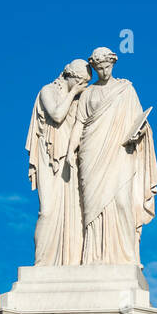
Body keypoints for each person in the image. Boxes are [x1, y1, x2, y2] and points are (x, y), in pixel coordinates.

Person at [66, 46, 157, 265]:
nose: (104, 71)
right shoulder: (88, 93)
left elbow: (141, 122)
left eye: (107, 66)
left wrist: (139, 133)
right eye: (99, 68)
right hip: (92, 152)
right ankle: (93, 257)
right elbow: (79, 124)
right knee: (92, 207)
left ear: (113, 64)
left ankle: (127, 257)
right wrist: (70, 151)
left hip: (120, 152)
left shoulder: (126, 90)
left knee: (122, 202)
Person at [25, 59, 91, 264]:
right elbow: (56, 114)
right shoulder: (48, 90)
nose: (83, 87)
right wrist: (73, 93)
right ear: (69, 75)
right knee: (47, 211)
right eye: (80, 81)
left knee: (74, 214)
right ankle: (41, 263)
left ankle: (71, 262)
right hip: (49, 158)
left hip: (70, 160)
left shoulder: (79, 100)